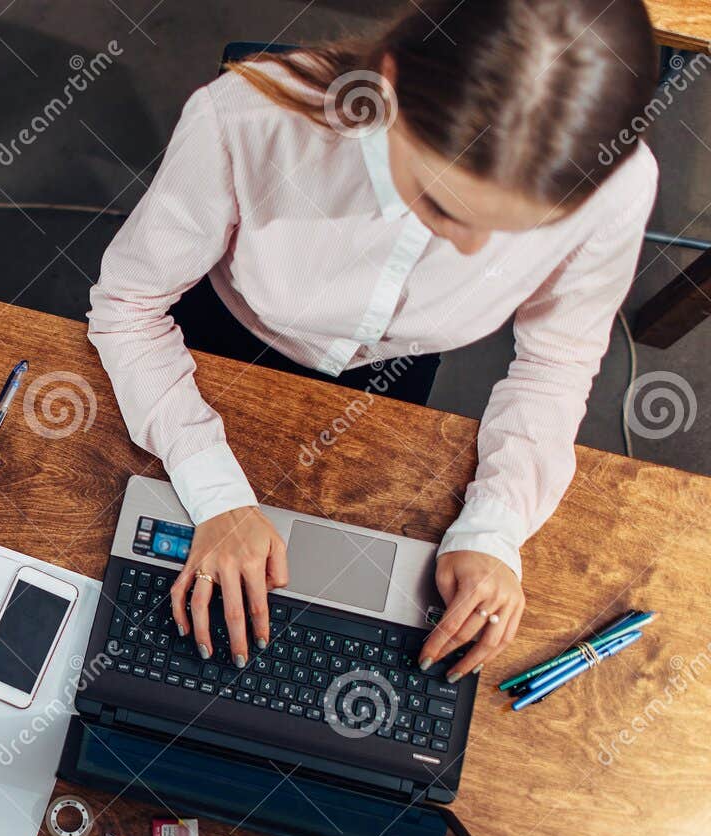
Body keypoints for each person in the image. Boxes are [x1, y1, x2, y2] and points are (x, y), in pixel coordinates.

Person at [87, 0, 660, 683]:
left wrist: (495, 529)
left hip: (395, 382)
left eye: (522, 231)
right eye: (444, 205)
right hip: (219, 343)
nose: (471, 250)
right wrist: (215, 493)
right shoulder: (244, 121)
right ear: (386, 91)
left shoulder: (617, 187)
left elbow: (557, 361)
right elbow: (129, 308)